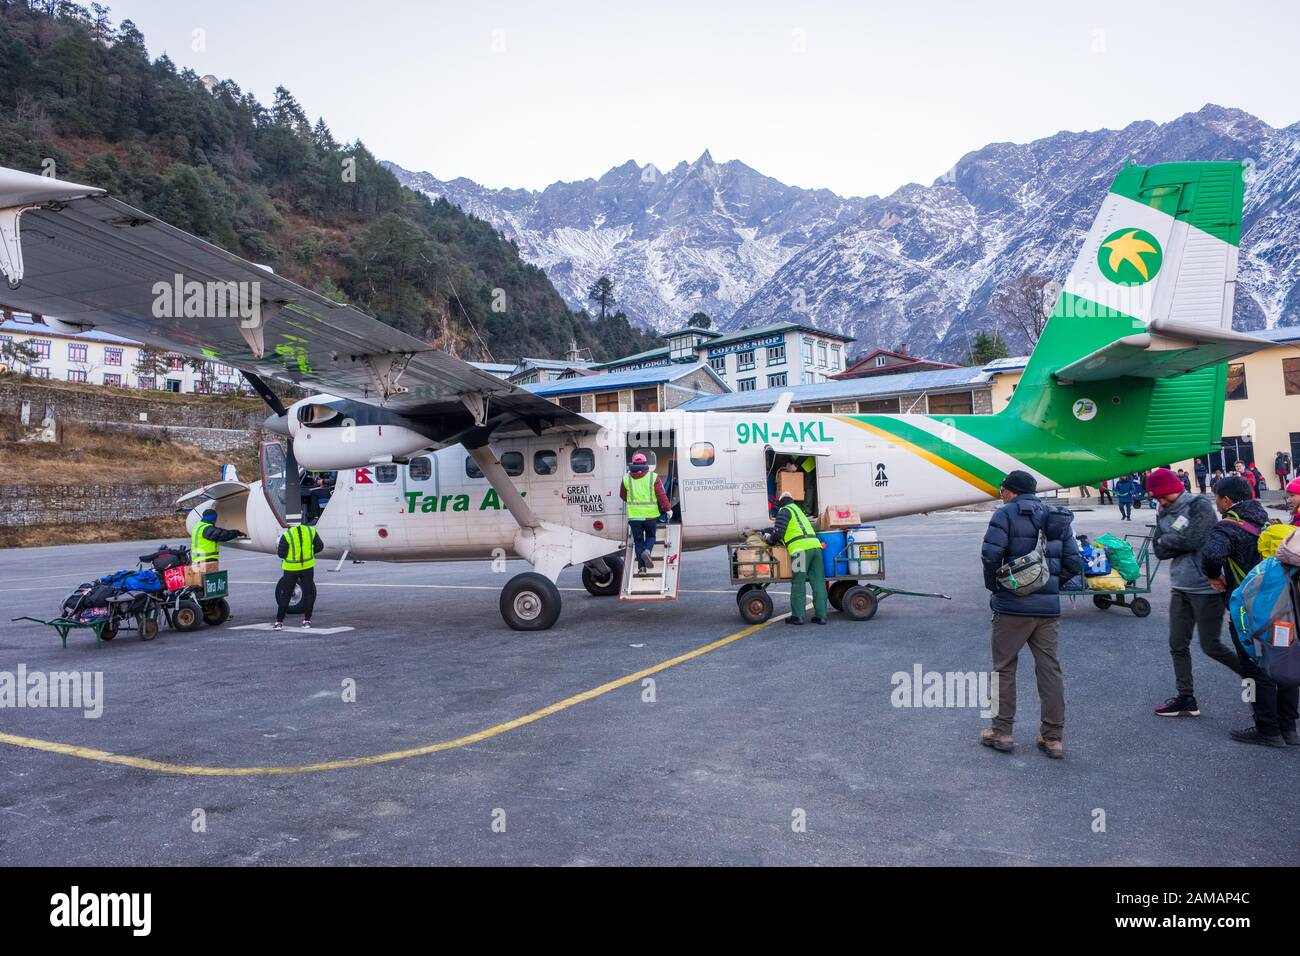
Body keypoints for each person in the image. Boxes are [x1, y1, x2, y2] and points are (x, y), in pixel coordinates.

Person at [979, 470, 1082, 759]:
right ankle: (1053, 738)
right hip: (1046, 610)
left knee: (1004, 668)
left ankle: (1002, 732)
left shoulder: (1005, 515)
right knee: (1049, 669)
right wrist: (1048, 586)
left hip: (1011, 606)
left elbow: (990, 556)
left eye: (1002, 489)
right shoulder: (1057, 519)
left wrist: (997, 587)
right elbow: (1074, 564)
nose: (1001, 493)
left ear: (1011, 491)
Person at [1201, 475, 1296, 747]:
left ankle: (1266, 727)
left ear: (1227, 500)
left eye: (1217, 498)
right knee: (1286, 661)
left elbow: (1210, 555)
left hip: (1248, 612)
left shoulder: (1227, 527)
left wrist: (1213, 576)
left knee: (1252, 668)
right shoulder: (1271, 522)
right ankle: (1289, 728)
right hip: (1284, 608)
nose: (1217, 503)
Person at [1146, 468, 1243, 718]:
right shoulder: (1162, 512)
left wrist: (1168, 540)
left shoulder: (1199, 506)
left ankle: (1257, 678)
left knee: (1211, 646)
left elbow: (1195, 540)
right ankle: (1186, 698)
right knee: (1177, 645)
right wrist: (1172, 540)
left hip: (1206, 587)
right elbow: (1159, 551)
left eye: (1161, 496)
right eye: (1156, 498)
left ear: (1174, 488)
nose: (1160, 501)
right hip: (1180, 587)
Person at [765, 490, 827, 625]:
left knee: (798, 582)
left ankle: (798, 616)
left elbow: (778, 533)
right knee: (818, 582)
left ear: (780, 501)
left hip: (800, 551)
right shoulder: (799, 511)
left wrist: (769, 540)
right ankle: (821, 616)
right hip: (816, 548)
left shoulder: (784, 511)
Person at [620, 453, 670, 572]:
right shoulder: (653, 477)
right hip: (650, 515)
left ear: (633, 464)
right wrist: (667, 508)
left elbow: (622, 495)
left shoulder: (626, 478)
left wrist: (633, 502)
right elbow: (661, 495)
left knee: (638, 541)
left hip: (634, 516)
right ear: (645, 463)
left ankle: (641, 568)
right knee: (651, 536)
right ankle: (647, 551)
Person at [274, 521, 324, 630]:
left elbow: (281, 554)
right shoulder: (311, 531)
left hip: (291, 568)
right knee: (309, 593)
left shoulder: (287, 535)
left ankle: (279, 621)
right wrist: (310, 553)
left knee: (286, 594)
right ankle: (307, 621)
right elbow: (320, 546)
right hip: (307, 567)